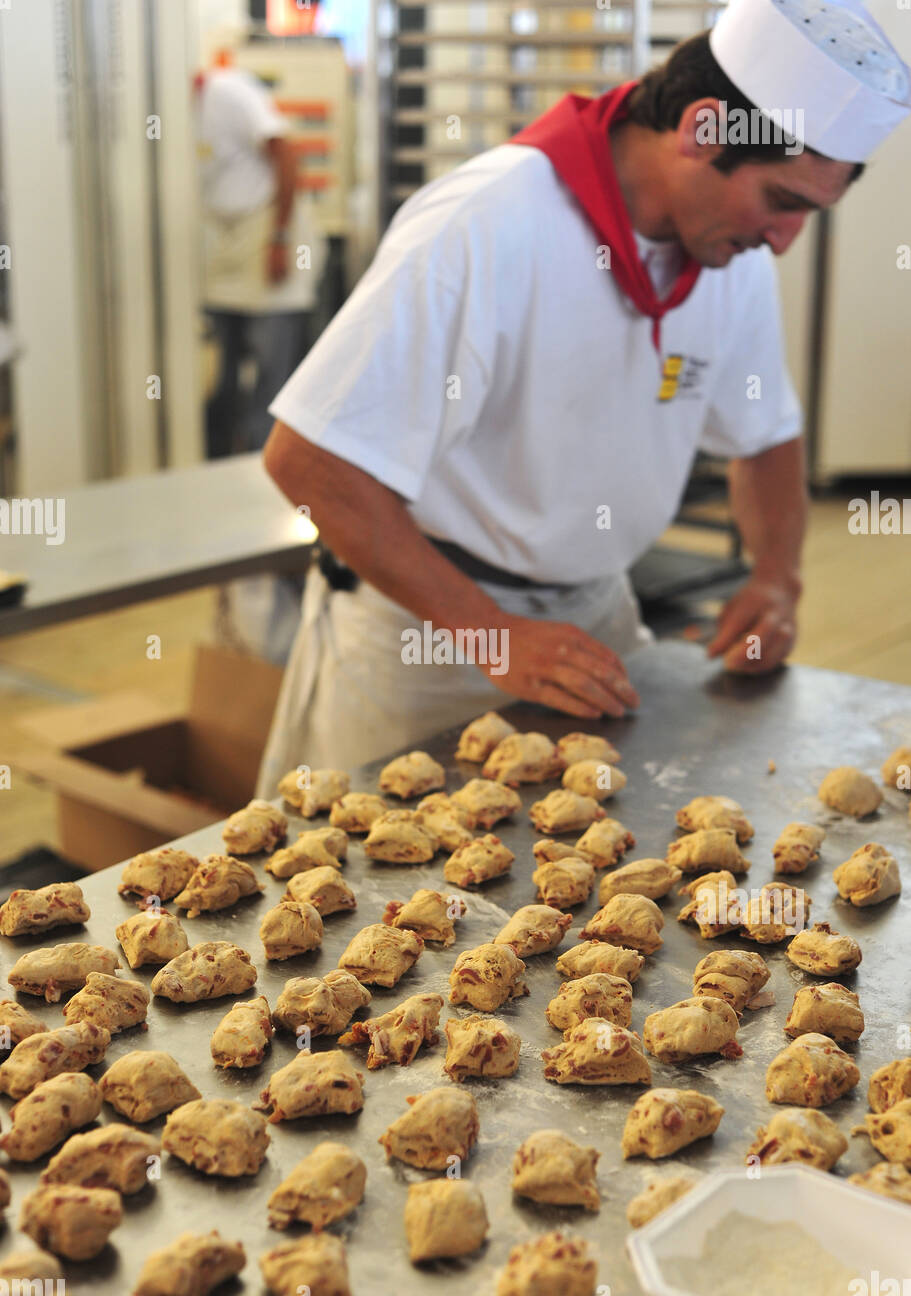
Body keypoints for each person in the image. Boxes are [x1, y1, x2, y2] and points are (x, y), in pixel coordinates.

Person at [254, 0, 911, 794]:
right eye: (781, 201)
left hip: (594, 624)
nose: (783, 241)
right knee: (384, 889)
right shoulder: (486, 223)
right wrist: (496, 638)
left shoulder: (733, 265)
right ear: (704, 129)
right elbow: (310, 461)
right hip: (427, 639)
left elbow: (765, 435)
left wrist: (776, 575)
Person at [197, 57, 327, 665]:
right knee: (227, 386)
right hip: (229, 245)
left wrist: (278, 239)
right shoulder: (176, 112)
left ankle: (271, 496)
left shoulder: (230, 91)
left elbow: (286, 155)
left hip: (269, 239)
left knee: (273, 386)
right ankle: (234, 494)